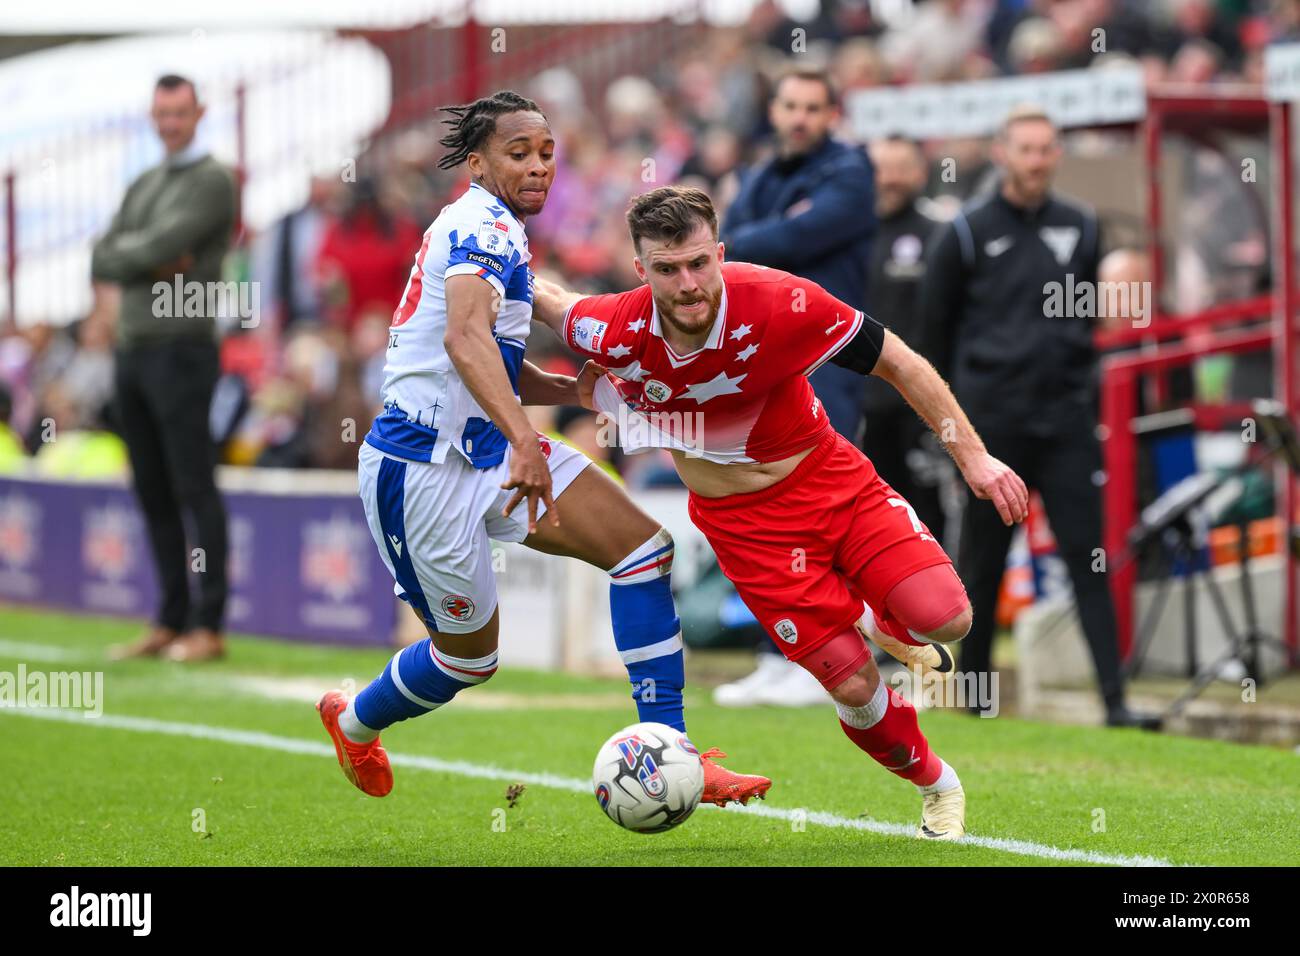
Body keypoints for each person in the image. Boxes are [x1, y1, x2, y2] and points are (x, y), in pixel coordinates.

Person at [534, 185, 1032, 840]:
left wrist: (976, 460)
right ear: (641, 271)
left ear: (719, 253)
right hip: (746, 531)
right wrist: (474, 258)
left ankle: (871, 612)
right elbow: (546, 297)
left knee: (950, 619)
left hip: (830, 482)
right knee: (854, 689)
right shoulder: (614, 326)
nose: (687, 284)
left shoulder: (781, 302)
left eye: (698, 263)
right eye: (666, 269)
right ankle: (937, 782)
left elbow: (902, 364)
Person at [315, 91, 768, 806]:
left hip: (489, 447)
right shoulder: (478, 224)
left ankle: (674, 753)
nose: (538, 167)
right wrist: (528, 437)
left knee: (643, 552)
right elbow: (464, 340)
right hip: (421, 467)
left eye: (547, 154)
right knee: (469, 662)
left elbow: (484, 351)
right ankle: (356, 720)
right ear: (478, 163)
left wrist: (569, 392)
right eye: (518, 153)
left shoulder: (504, 230)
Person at [919, 106, 1160, 730]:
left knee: (1089, 555)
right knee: (983, 560)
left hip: (1065, 422)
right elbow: (933, 335)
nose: (1035, 160)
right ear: (1002, 153)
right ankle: (976, 698)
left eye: (1046, 149)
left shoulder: (1080, 224)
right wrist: (951, 427)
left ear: (1056, 155)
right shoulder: (966, 232)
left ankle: (1115, 702)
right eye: (1025, 148)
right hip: (992, 426)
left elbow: (1090, 315)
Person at [714, 67, 876, 707]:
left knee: (822, 508)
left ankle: (834, 655)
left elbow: (788, 237)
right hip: (767, 362)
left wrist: (743, 243)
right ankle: (777, 651)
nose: (801, 117)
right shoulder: (761, 176)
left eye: (814, 106)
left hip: (830, 357)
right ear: (775, 110)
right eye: (791, 105)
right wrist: (752, 241)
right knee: (767, 509)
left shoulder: (851, 171)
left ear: (832, 113)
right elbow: (739, 243)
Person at [92, 75, 236, 663]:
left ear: (198, 113)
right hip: (133, 348)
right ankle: (169, 619)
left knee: (192, 482)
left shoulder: (213, 181)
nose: (169, 123)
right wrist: (146, 257)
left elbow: (154, 248)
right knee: (150, 485)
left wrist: (143, 254)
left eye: (179, 112)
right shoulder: (145, 181)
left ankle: (209, 624)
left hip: (183, 345)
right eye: (161, 113)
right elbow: (106, 252)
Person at [861, 135, 947, 545]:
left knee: (925, 518)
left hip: (917, 408)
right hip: (858, 410)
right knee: (868, 522)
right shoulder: (848, 237)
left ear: (920, 173)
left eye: (900, 168)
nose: (889, 179)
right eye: (880, 169)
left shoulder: (939, 236)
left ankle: (945, 609)